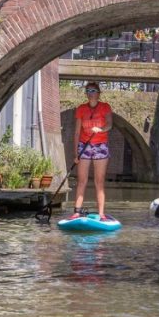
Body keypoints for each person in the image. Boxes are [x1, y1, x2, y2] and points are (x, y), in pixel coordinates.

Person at [71, 81, 114, 221]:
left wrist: (100, 129)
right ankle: (77, 211)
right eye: (88, 91)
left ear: (98, 93)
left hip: (100, 145)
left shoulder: (105, 107)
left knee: (99, 181)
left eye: (93, 90)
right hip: (84, 145)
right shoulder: (81, 109)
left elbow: (109, 124)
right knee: (81, 180)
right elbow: (77, 132)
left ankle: (101, 214)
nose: (91, 93)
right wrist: (76, 153)